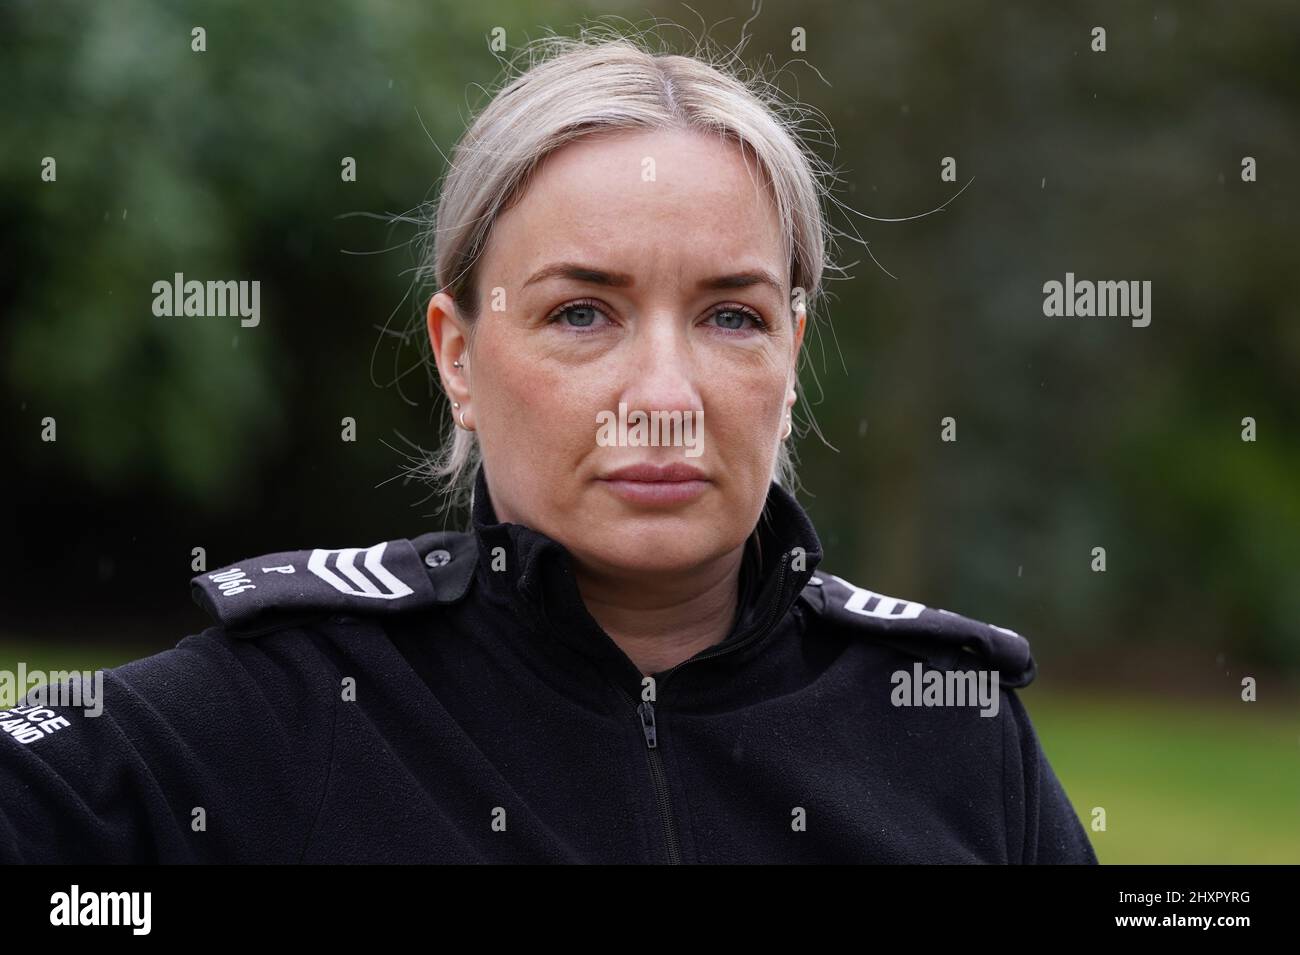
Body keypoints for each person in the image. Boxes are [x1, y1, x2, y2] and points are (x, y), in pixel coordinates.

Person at [0, 34, 1096, 864]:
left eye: (731, 316)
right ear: (459, 357)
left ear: (793, 354)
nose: (665, 397)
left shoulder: (947, 725)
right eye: (582, 313)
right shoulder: (286, 704)